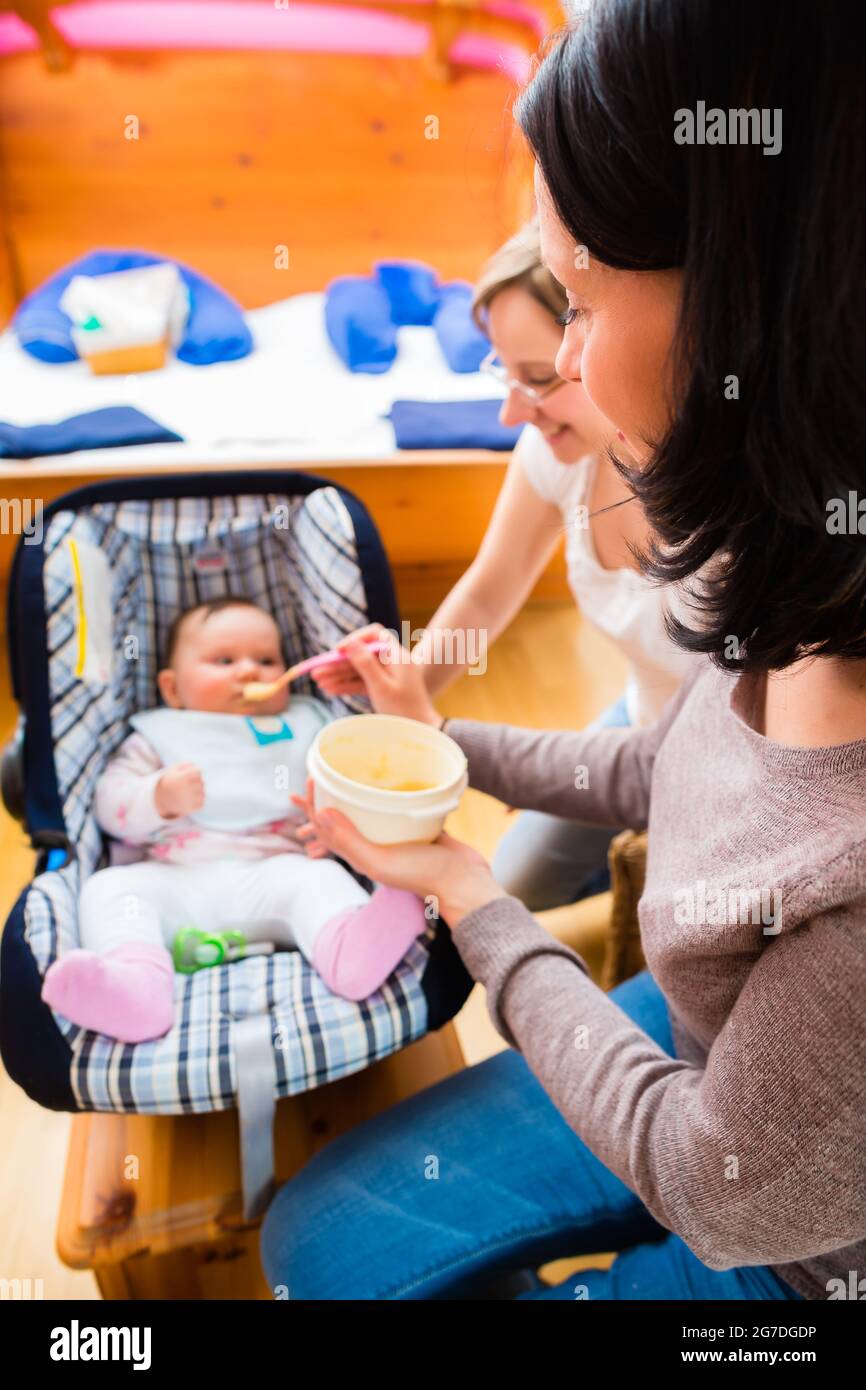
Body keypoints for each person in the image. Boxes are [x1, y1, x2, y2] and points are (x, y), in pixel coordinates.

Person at [260, 0, 866, 1300]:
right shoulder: (790, 577)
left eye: (578, 307)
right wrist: (431, 740)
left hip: (793, 1250)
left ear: (767, 309)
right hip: (703, 1030)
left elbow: (717, 1187)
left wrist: (472, 892)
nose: (549, 387)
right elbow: (667, 760)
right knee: (314, 1241)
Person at [315, 220, 700, 910]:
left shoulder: (736, 513)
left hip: (720, 775)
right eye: (502, 371)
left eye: (538, 380)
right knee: (515, 880)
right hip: (639, 730)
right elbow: (490, 594)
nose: (507, 412)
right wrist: (397, 702)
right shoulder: (559, 457)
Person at [40, 597, 428, 1041]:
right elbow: (110, 807)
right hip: (174, 877)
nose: (248, 671)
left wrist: (336, 837)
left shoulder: (306, 726)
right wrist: (158, 797)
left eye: (266, 660)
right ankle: (138, 990)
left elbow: (345, 791)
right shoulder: (158, 734)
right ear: (171, 689)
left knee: (319, 882)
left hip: (278, 871)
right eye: (223, 660)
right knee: (109, 889)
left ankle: (353, 951)